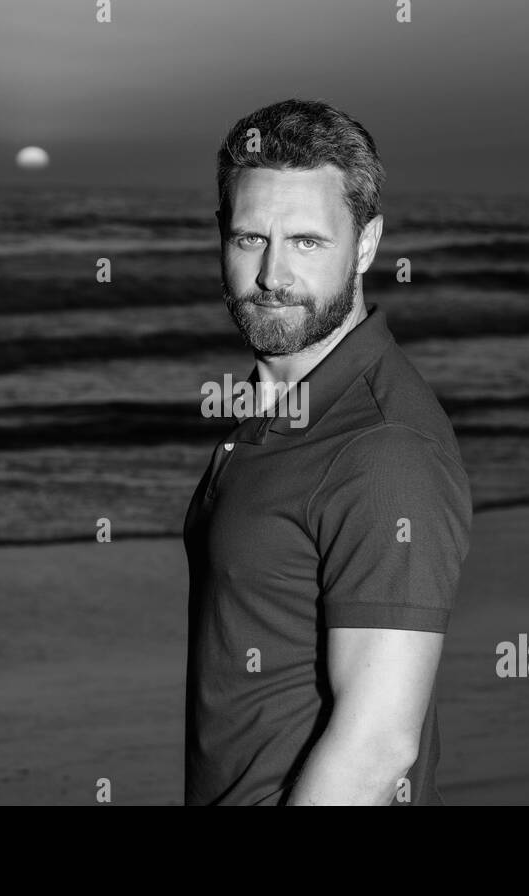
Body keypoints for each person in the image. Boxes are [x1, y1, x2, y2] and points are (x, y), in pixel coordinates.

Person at [184, 98, 474, 805]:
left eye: (308, 242)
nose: (272, 275)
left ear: (367, 244)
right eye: (251, 238)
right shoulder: (278, 404)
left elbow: (378, 748)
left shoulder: (382, 450)